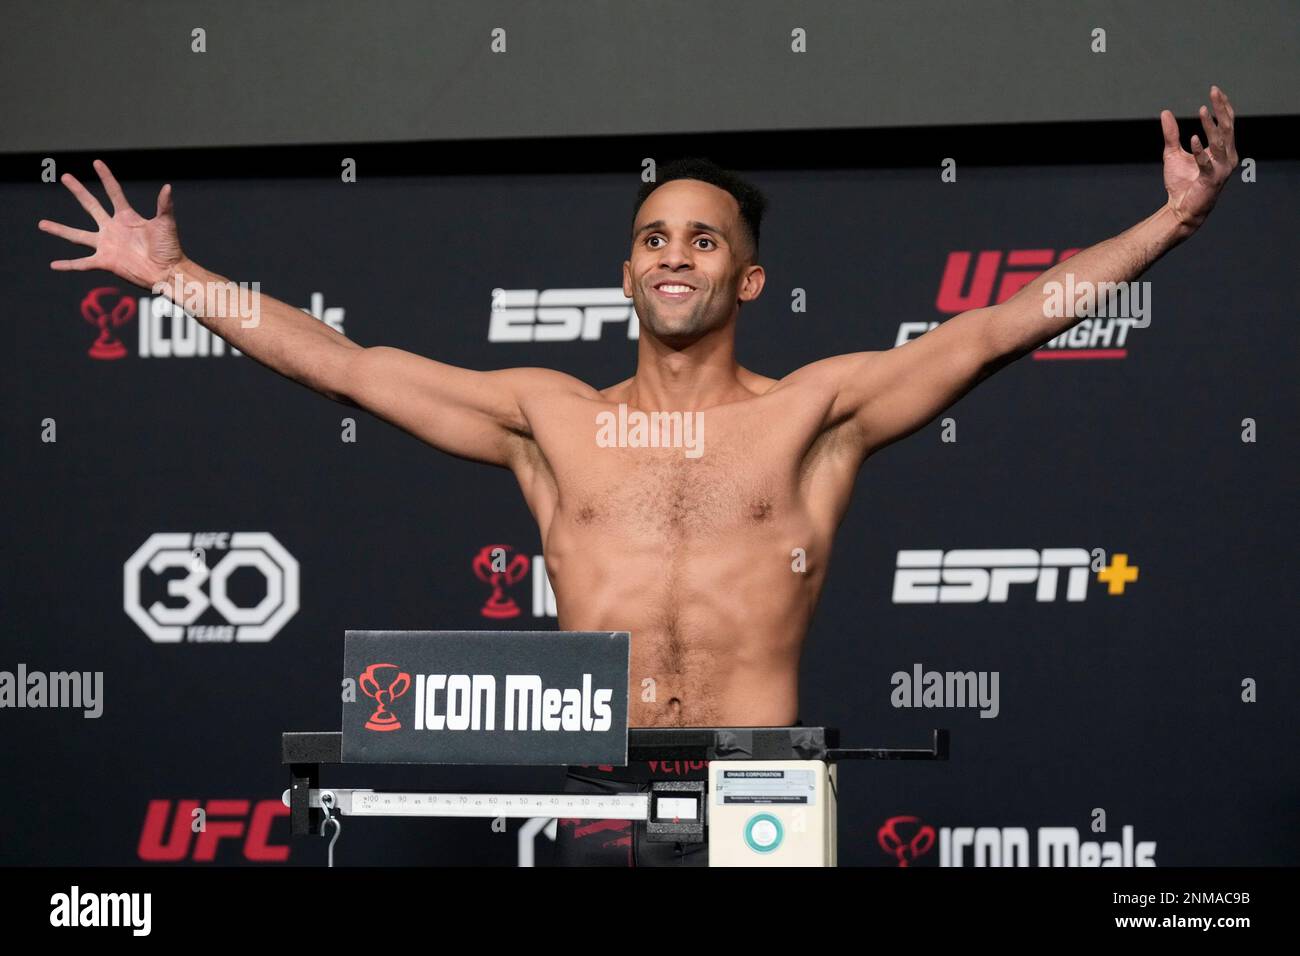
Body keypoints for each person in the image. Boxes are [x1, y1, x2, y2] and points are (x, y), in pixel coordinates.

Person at [38, 88, 1237, 865]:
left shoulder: (816, 413)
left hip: (763, 793)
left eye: (705, 238)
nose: (677, 255)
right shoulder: (548, 419)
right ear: (626, 272)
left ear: (748, 280)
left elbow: (996, 327)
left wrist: (1165, 225)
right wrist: (174, 276)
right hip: (599, 789)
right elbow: (344, 366)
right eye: (656, 237)